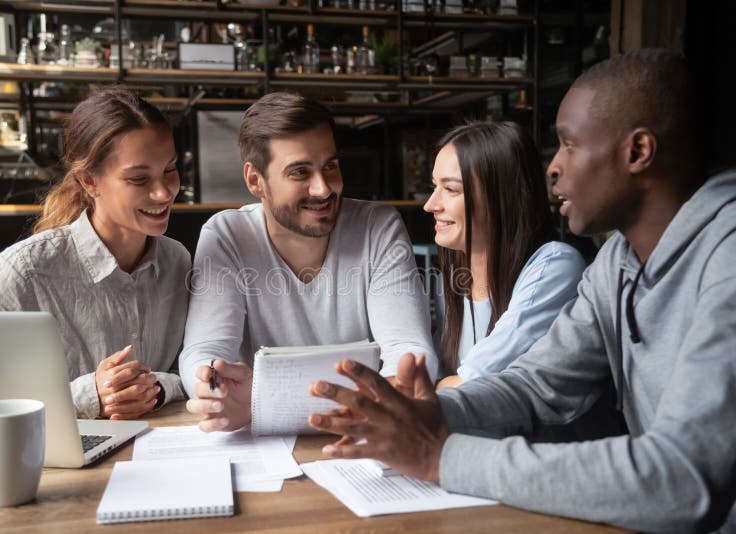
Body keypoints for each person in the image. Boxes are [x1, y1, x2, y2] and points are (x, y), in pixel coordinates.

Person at [307, 48, 736, 532]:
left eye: (569, 145)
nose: (552, 167)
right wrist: (430, 413)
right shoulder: (618, 260)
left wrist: (441, 457)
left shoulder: (727, 257)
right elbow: (537, 384)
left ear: (637, 152)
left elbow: (681, 477)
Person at [181, 92, 435, 432]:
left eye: (330, 166)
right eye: (300, 172)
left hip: (363, 433)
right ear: (255, 180)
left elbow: (411, 351)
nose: (323, 189)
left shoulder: (378, 226)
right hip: (267, 444)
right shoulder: (228, 234)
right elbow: (204, 351)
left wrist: (263, 402)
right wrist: (214, 387)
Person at [0, 88, 190, 421]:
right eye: (139, 178)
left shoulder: (178, 261)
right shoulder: (25, 272)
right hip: (54, 465)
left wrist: (155, 388)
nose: (164, 191)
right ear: (88, 181)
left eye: (169, 169)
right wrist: (90, 396)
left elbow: (197, 367)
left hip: (159, 454)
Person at [425, 122, 585, 388]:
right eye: (434, 187)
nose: (430, 205)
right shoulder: (451, 282)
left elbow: (476, 380)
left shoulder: (555, 266)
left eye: (451, 189)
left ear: (502, 196)